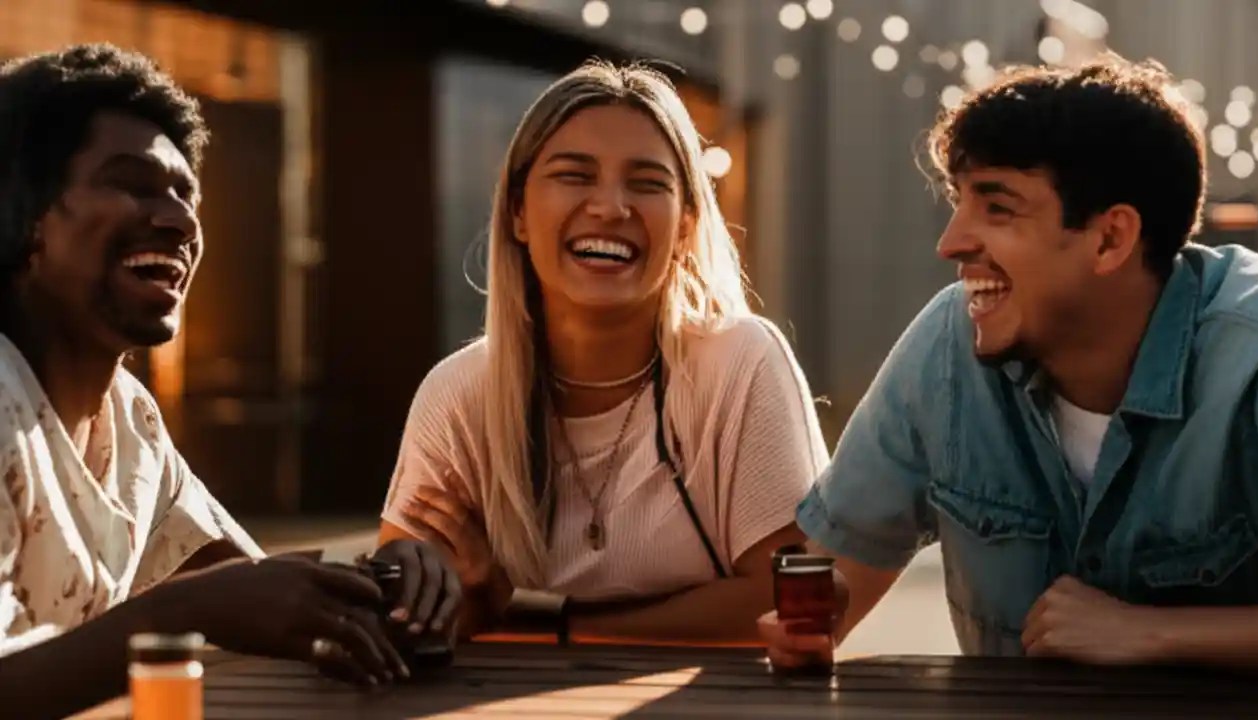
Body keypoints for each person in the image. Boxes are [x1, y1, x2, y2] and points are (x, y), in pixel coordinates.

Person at [761, 55, 1258, 669]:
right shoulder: (947, 345)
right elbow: (833, 576)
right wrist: (811, 620)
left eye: (997, 209)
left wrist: (1148, 635)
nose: (950, 242)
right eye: (958, 203)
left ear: (1110, 238)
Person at [0, 45, 459, 718]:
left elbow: (251, 588)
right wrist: (195, 608)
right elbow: (215, 597)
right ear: (27, 219)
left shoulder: (131, 422)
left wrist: (394, 583)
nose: (180, 220)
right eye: (132, 183)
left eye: (186, 194)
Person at [379, 61, 828, 643]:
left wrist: (531, 618)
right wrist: (467, 602)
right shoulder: (458, 394)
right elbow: (403, 608)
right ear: (517, 212)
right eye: (574, 175)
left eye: (647, 183)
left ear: (687, 223)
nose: (611, 207)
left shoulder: (740, 362)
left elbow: (783, 601)